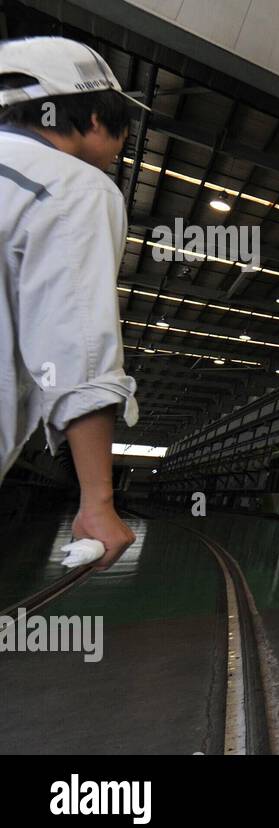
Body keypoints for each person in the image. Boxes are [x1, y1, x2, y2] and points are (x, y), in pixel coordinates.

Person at [1, 37, 150, 570]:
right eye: (122, 133)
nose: (121, 148)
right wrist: (98, 503)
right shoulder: (71, 186)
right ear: (91, 117)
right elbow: (77, 349)